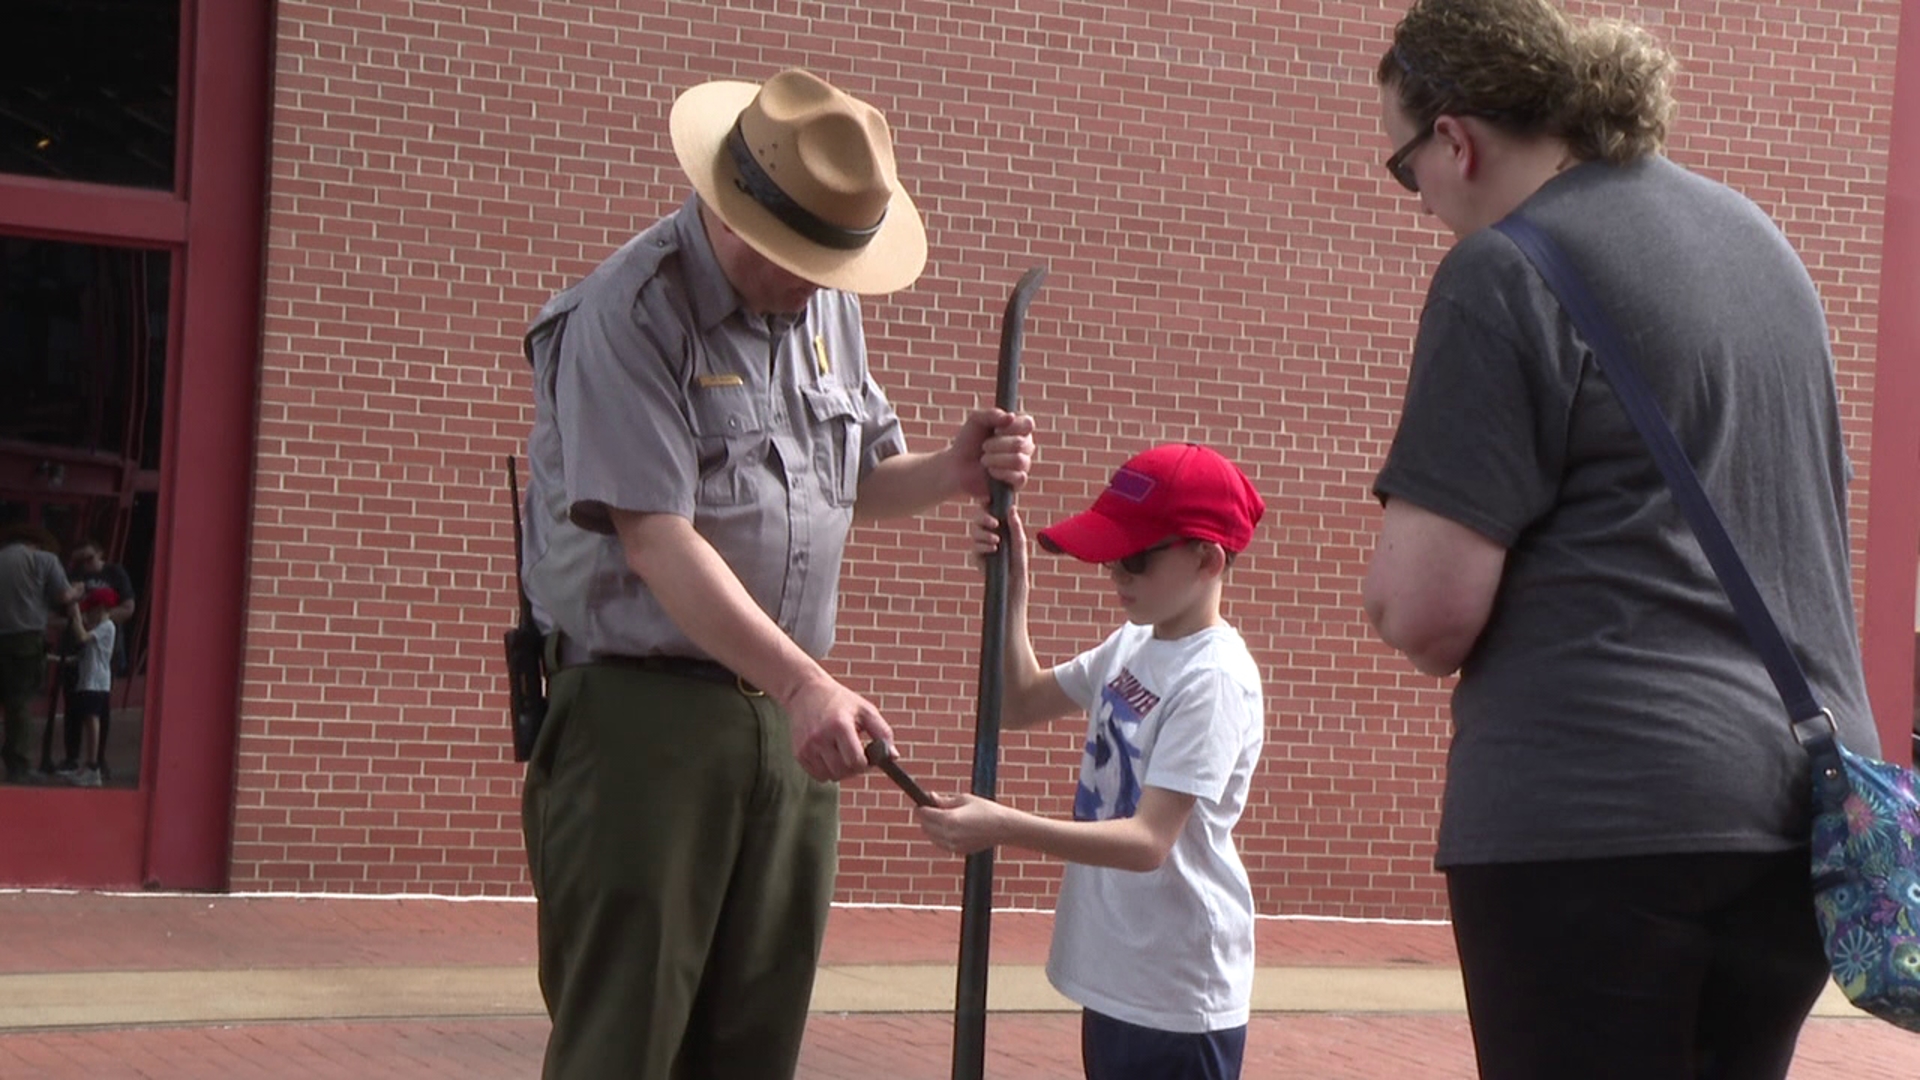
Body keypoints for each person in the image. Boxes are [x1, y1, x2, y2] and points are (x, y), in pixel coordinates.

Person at [1360, 2, 1880, 1077]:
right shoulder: (1760, 245)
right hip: (1801, 811)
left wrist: (1384, 591)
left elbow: (1426, 613)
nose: (1422, 205)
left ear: (1456, 138)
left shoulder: (1501, 270)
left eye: (1407, 172)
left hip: (1594, 819)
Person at [516, 69, 1037, 1080]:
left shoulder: (823, 305)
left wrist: (949, 470)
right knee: (624, 1042)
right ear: (732, 211)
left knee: (756, 1042)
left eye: (836, 261)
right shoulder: (630, 312)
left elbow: (853, 480)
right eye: (805, 259)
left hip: (788, 725)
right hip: (642, 717)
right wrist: (805, 685)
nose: (821, 283)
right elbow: (655, 538)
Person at [919, 443, 1266, 1080]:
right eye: (1110, 557)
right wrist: (1013, 589)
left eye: (1134, 558)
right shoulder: (1133, 643)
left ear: (1207, 557)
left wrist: (1003, 825)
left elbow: (1149, 841)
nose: (1116, 575)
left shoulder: (1213, 679)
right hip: (1119, 971)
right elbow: (1019, 701)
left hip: (1176, 990)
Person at [0, 526, 79, 783]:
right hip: (26, 640)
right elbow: (63, 595)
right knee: (20, 702)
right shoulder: (43, 559)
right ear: (38, 543)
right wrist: (77, 591)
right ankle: (19, 765)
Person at [51, 541, 136, 778]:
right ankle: (73, 757)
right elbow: (55, 613)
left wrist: (95, 619)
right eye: (80, 561)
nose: (85, 565)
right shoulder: (72, 576)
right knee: (73, 703)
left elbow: (128, 608)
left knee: (98, 707)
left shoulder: (114, 573)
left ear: (101, 554)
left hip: (101, 648)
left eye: (89, 559)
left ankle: (96, 760)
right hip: (75, 648)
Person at [58, 586, 117, 788]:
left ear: (100, 607)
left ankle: (93, 766)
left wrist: (75, 616)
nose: (88, 614)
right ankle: (88, 766)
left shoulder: (107, 626)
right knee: (88, 719)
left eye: (90, 609)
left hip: (96, 682)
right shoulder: (99, 628)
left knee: (92, 720)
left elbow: (82, 637)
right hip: (89, 680)